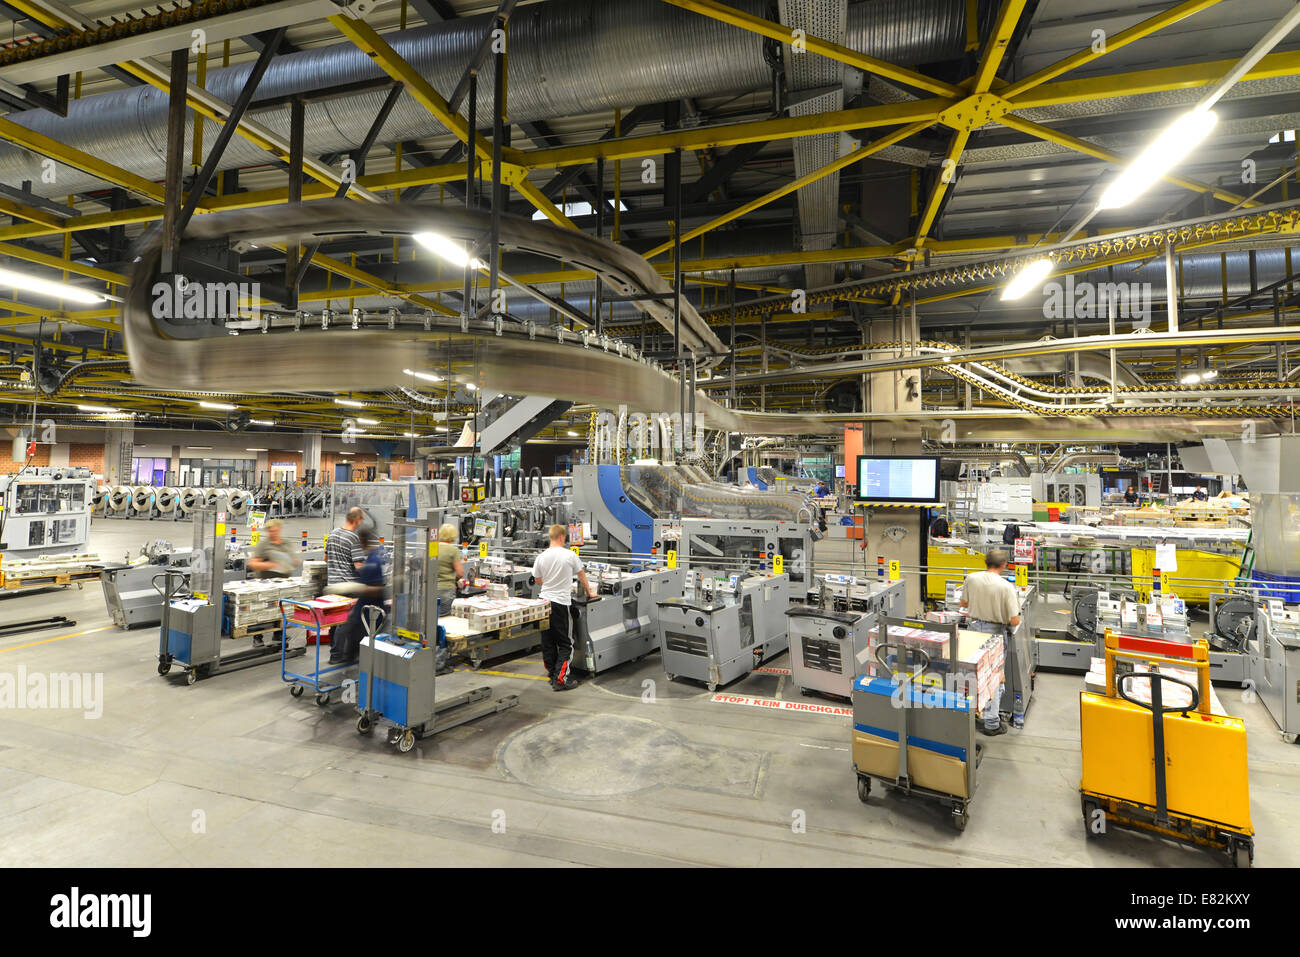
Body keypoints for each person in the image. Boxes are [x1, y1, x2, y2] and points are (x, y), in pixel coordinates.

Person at [959, 548, 1022, 736]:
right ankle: (992, 722)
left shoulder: (971, 578)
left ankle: (969, 714)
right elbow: (1014, 620)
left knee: (971, 675)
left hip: (973, 631)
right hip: (994, 634)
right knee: (994, 678)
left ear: (985, 562)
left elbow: (963, 604)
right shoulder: (1006, 587)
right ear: (1004, 565)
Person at [531, 524, 596, 691]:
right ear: (562, 537)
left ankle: (552, 674)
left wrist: (551, 581)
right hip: (560, 603)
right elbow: (581, 576)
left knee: (548, 642)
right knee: (566, 643)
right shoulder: (569, 555)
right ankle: (561, 679)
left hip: (543, 603)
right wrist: (590, 592)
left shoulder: (541, 557)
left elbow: (538, 581)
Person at [329, 529, 387, 665]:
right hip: (364, 607)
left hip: (371, 609)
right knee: (351, 630)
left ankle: (344, 658)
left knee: (350, 629)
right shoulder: (371, 558)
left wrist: (357, 588)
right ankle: (348, 657)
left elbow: (378, 588)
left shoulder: (374, 561)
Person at [326, 507, 366, 585]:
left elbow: (326, 559)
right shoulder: (353, 537)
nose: (361, 523)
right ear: (357, 518)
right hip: (348, 587)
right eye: (362, 519)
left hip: (332, 585)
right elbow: (358, 566)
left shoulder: (332, 533)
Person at [434, 523, 465, 614]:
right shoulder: (453, 550)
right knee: (445, 619)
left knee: (431, 618)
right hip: (446, 590)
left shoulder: (432, 547)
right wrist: (455, 580)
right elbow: (460, 573)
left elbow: (425, 570)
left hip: (431, 589)